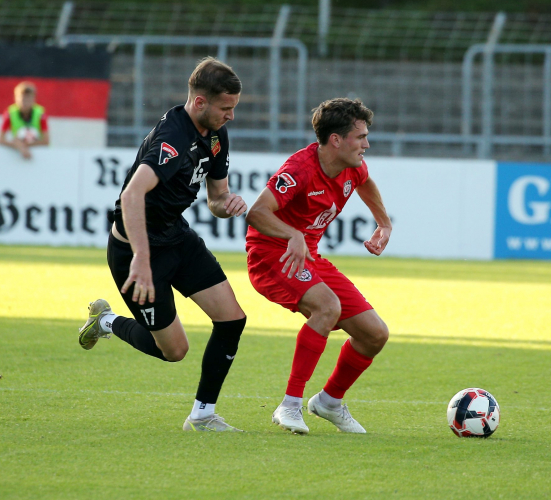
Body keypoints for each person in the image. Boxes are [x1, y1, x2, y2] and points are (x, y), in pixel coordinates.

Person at [78, 57, 248, 431]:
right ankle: (105, 321)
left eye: (233, 108)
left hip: (176, 237)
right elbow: (132, 194)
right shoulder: (172, 138)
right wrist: (140, 257)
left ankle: (202, 416)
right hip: (136, 252)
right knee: (174, 351)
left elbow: (216, 199)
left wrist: (227, 204)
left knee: (232, 318)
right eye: (226, 108)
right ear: (200, 102)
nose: (231, 116)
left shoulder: (216, 134)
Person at [245, 98, 392, 434]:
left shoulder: (351, 165)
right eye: (361, 137)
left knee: (374, 334)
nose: (366, 144)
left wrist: (383, 223)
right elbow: (257, 213)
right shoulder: (299, 169)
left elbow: (365, 182)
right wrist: (292, 234)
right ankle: (290, 405)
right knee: (327, 307)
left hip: (307, 254)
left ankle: (328, 402)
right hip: (271, 254)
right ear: (337, 140)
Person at [0, 81, 50, 159]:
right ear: (15, 98)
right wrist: (19, 146)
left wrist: (23, 145)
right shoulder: (10, 113)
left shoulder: (40, 114)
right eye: (22, 98)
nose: (25, 101)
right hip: (16, 154)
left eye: (28, 97)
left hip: (38, 153)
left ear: (34, 99)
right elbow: (0, 140)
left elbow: (46, 141)